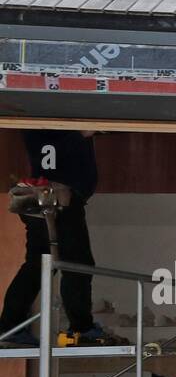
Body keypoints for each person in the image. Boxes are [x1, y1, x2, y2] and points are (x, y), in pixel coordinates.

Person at [0, 129, 120, 347]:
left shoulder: (37, 124)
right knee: (77, 265)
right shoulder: (55, 123)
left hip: (43, 199)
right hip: (58, 202)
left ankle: (10, 326)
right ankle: (81, 329)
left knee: (38, 265)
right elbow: (76, 133)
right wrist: (86, 130)